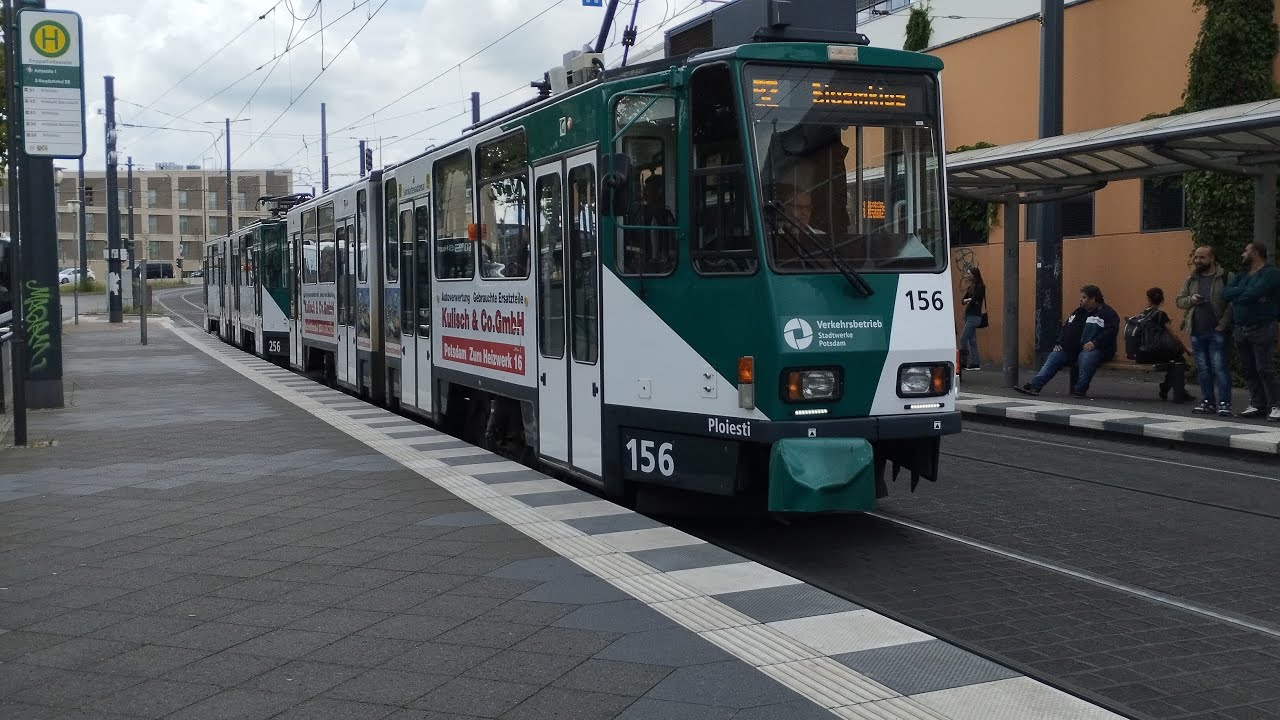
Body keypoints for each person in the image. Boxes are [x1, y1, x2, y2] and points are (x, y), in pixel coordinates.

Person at [1014, 284, 1121, 399]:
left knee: (1086, 358)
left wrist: (1095, 343)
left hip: (1097, 349)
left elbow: (1110, 332)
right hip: (1072, 349)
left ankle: (1080, 390)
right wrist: (1059, 343)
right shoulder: (1078, 312)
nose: (1081, 300)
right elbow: (1066, 329)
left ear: (1093, 298)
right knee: (1055, 356)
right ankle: (1035, 386)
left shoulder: (1108, 314)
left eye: (1084, 297)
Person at [1222, 242, 1280, 421]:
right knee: (1249, 368)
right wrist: (1244, 294)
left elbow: (1256, 293)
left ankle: (1276, 405)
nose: (1242, 254)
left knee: (1265, 368)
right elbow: (1225, 293)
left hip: (1262, 327)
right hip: (1241, 328)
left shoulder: (1271, 273)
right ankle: (1257, 404)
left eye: (1245, 250)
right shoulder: (1242, 275)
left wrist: (1239, 296)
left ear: (1255, 253)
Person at [1175, 245, 1234, 416]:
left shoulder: (1225, 277)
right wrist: (1191, 300)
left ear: (1212, 258)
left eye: (1202, 258)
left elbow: (1232, 303)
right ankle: (1207, 402)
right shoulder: (1191, 279)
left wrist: (1223, 323)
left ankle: (1225, 404)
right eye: (1196, 258)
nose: (1198, 261)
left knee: (1219, 368)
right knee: (1203, 369)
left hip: (1217, 331)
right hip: (1197, 330)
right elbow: (1179, 301)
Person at [1126, 287, 1191, 403]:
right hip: (1153, 353)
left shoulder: (1142, 315)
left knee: (1174, 361)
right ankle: (1169, 389)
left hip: (1141, 355)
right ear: (1162, 300)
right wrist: (1186, 350)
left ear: (1148, 299)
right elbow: (1174, 335)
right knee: (1178, 360)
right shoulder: (1161, 315)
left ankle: (1171, 389)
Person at [959, 267, 986, 370]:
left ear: (975, 275)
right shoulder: (971, 287)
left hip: (974, 316)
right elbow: (963, 300)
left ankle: (963, 361)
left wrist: (969, 300)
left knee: (963, 338)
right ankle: (975, 363)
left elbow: (975, 299)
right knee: (972, 340)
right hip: (968, 315)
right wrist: (968, 300)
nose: (968, 275)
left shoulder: (980, 287)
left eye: (969, 274)